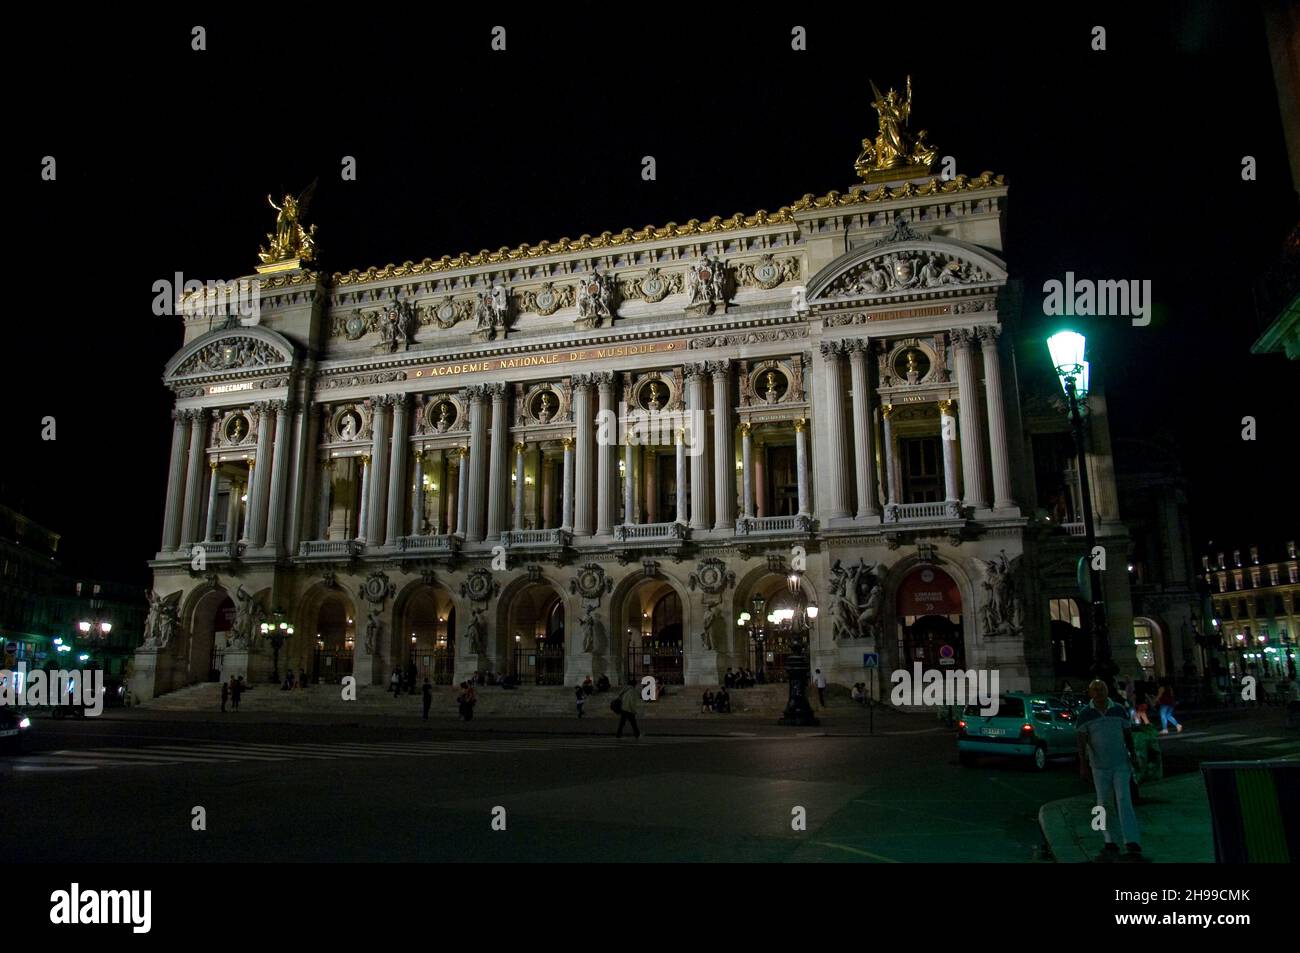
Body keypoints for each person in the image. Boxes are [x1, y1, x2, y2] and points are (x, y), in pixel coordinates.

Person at [1076, 679, 1143, 862]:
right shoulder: (1085, 714)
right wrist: (1083, 764)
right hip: (1099, 766)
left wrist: (1133, 756)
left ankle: (1131, 839)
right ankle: (1109, 839)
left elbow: (1127, 735)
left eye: (1102, 689)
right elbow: (1081, 741)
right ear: (1090, 693)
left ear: (1107, 691)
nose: (1099, 692)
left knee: (1123, 799)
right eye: (1095, 690)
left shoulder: (1119, 710)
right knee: (1103, 803)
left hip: (1121, 763)